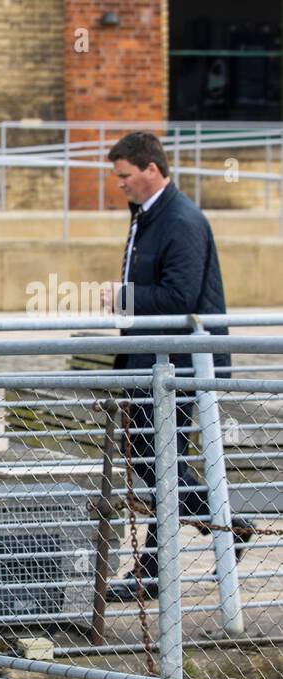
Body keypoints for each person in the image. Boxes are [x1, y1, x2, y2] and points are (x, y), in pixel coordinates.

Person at [101, 131, 253, 602]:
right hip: (155, 364)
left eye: (125, 176)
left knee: (159, 463)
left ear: (151, 169)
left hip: (180, 366)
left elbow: (180, 298)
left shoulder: (180, 220)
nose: (119, 185)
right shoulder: (151, 216)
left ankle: (220, 526)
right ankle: (204, 535)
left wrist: (120, 297)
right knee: (156, 461)